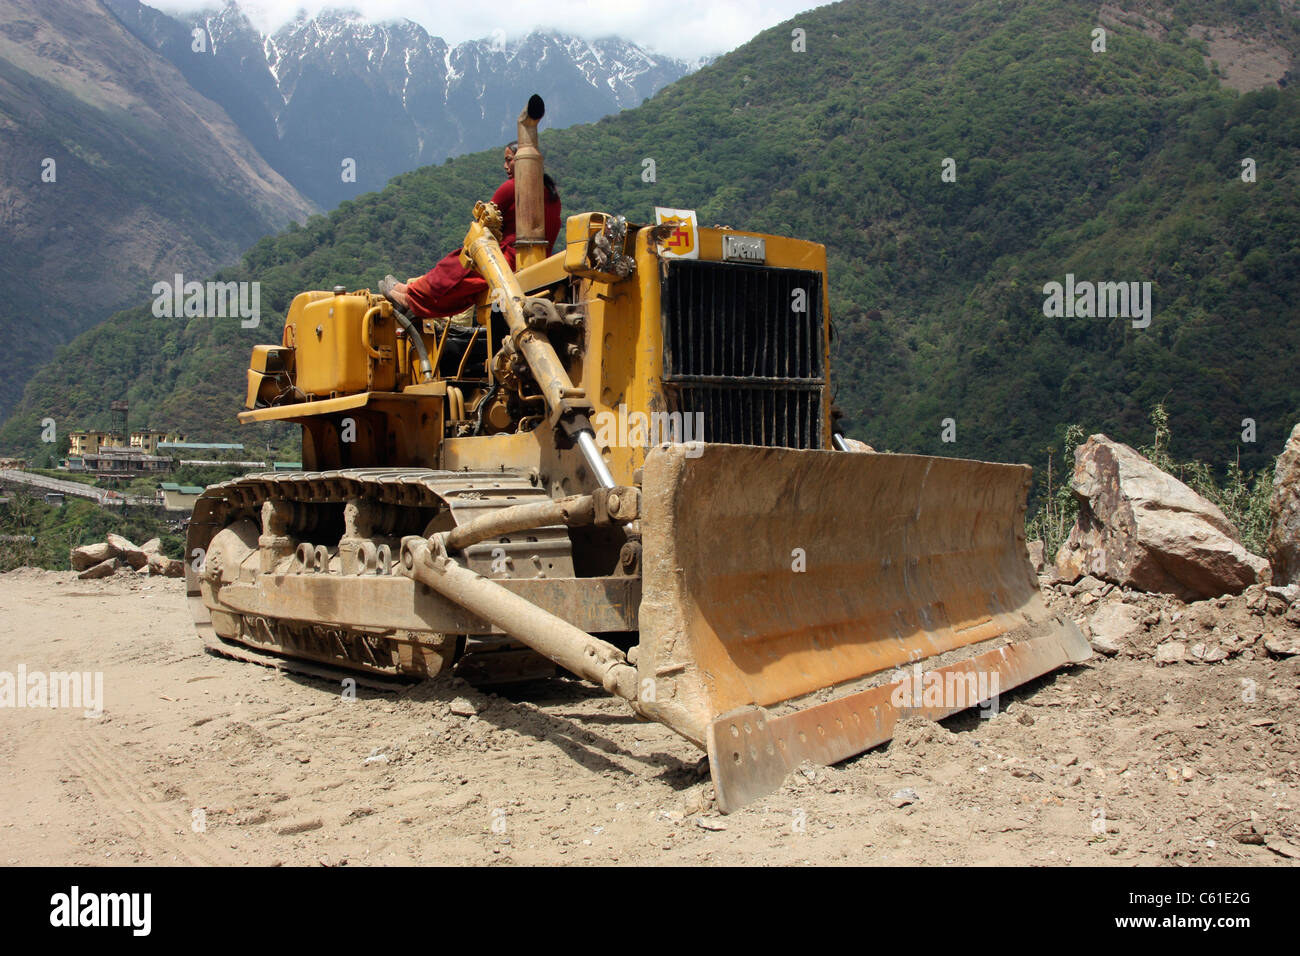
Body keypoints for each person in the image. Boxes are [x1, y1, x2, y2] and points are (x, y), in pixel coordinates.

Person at [382, 143, 562, 319]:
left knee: (455, 268)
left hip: (508, 258)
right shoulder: (552, 193)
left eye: (509, 160)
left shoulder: (512, 187)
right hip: (538, 260)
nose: (505, 166)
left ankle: (409, 298)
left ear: (522, 162)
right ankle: (410, 293)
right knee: (465, 284)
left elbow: (485, 221)